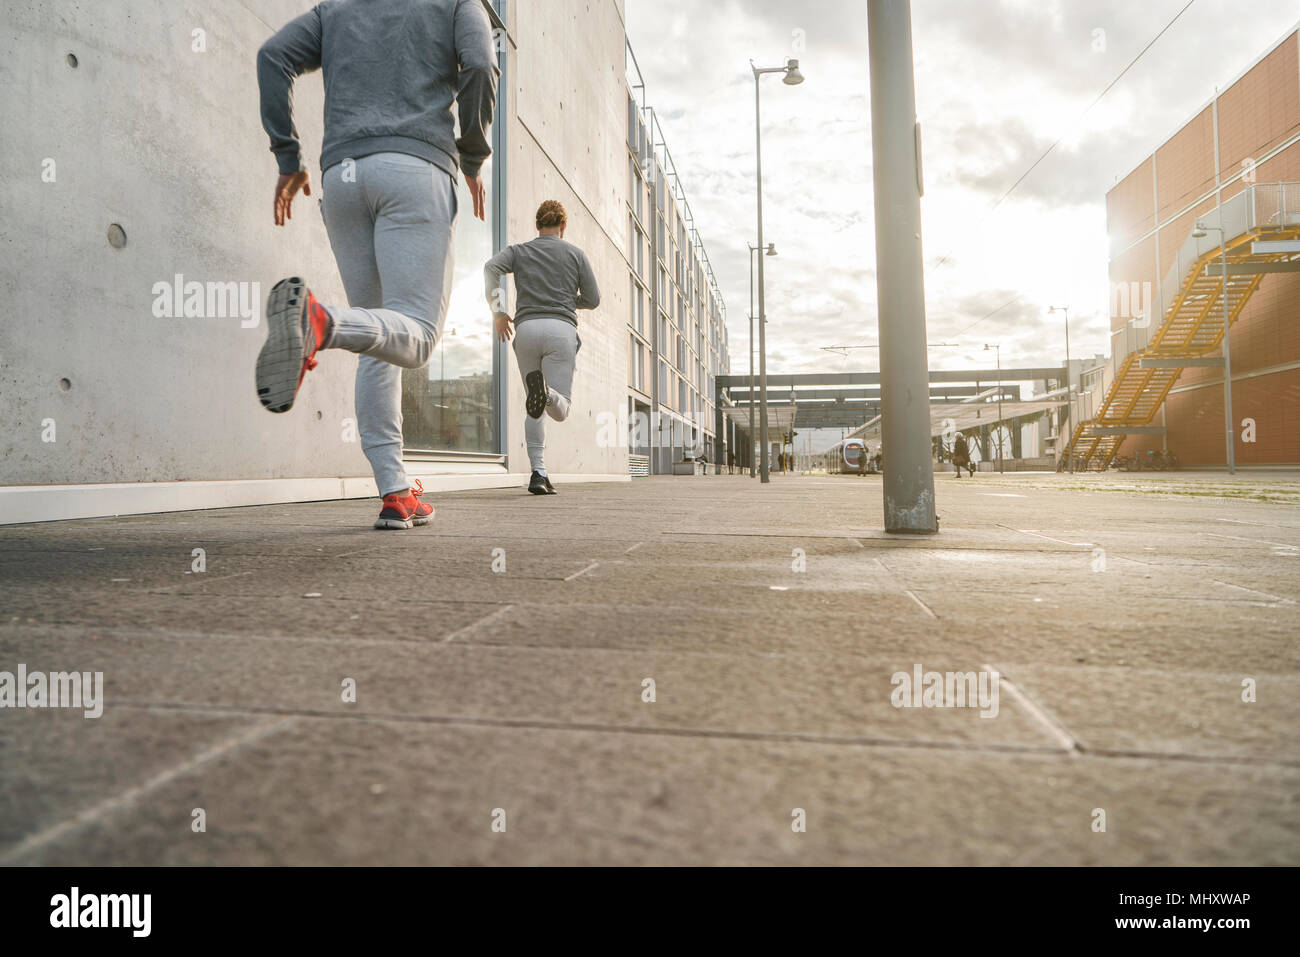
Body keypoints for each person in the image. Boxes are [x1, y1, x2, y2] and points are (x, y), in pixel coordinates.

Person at [254, 0, 498, 530]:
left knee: (378, 338)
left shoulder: (334, 8)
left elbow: (272, 57)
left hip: (341, 176)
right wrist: (473, 156)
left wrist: (287, 158)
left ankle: (395, 492)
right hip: (414, 168)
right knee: (418, 332)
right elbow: (481, 63)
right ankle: (320, 321)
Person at [485, 200, 601, 495]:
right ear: (564, 226)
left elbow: (490, 267)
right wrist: (564, 298)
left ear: (537, 225)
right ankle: (547, 392)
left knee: (533, 407)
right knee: (559, 409)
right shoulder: (575, 254)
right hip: (561, 329)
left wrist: (498, 312)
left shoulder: (519, 251)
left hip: (526, 330)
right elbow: (593, 298)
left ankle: (538, 473)